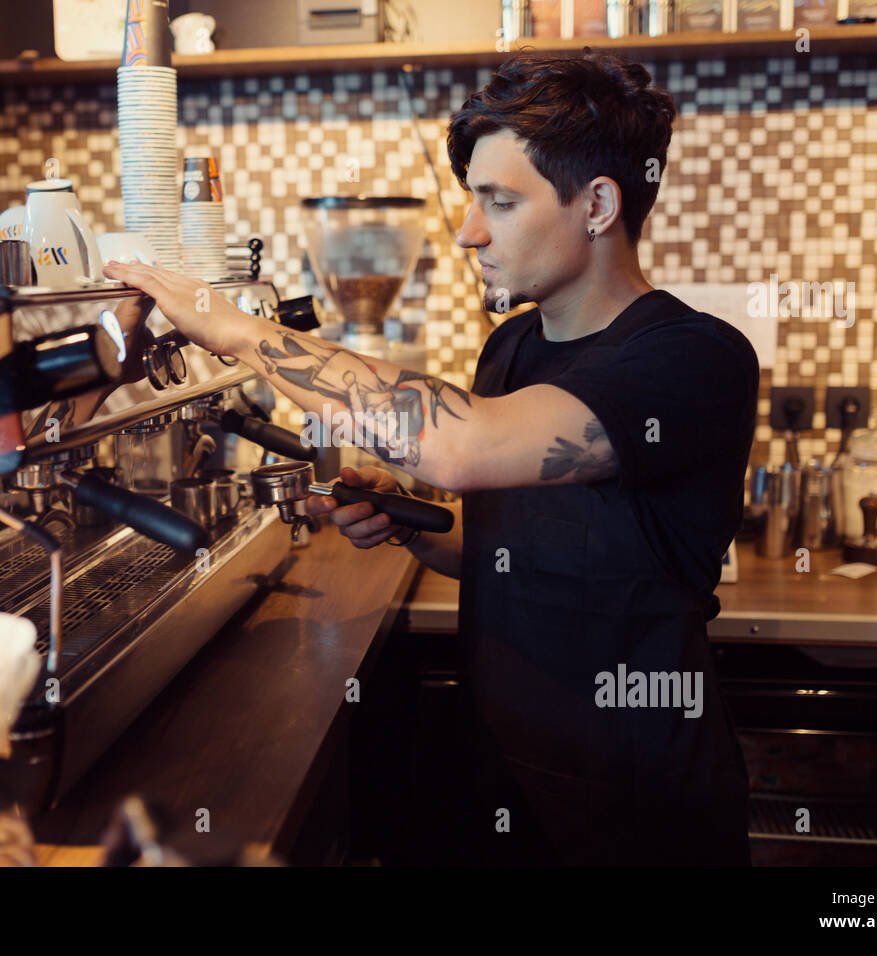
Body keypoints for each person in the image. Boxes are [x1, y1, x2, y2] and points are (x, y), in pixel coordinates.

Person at [104, 49, 760, 866]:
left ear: (597, 205)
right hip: (509, 780)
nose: (468, 230)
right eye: (470, 199)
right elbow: (513, 553)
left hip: (641, 806)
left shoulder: (693, 358)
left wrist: (234, 328)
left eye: (501, 202)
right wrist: (415, 528)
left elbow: (458, 447)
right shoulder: (514, 345)